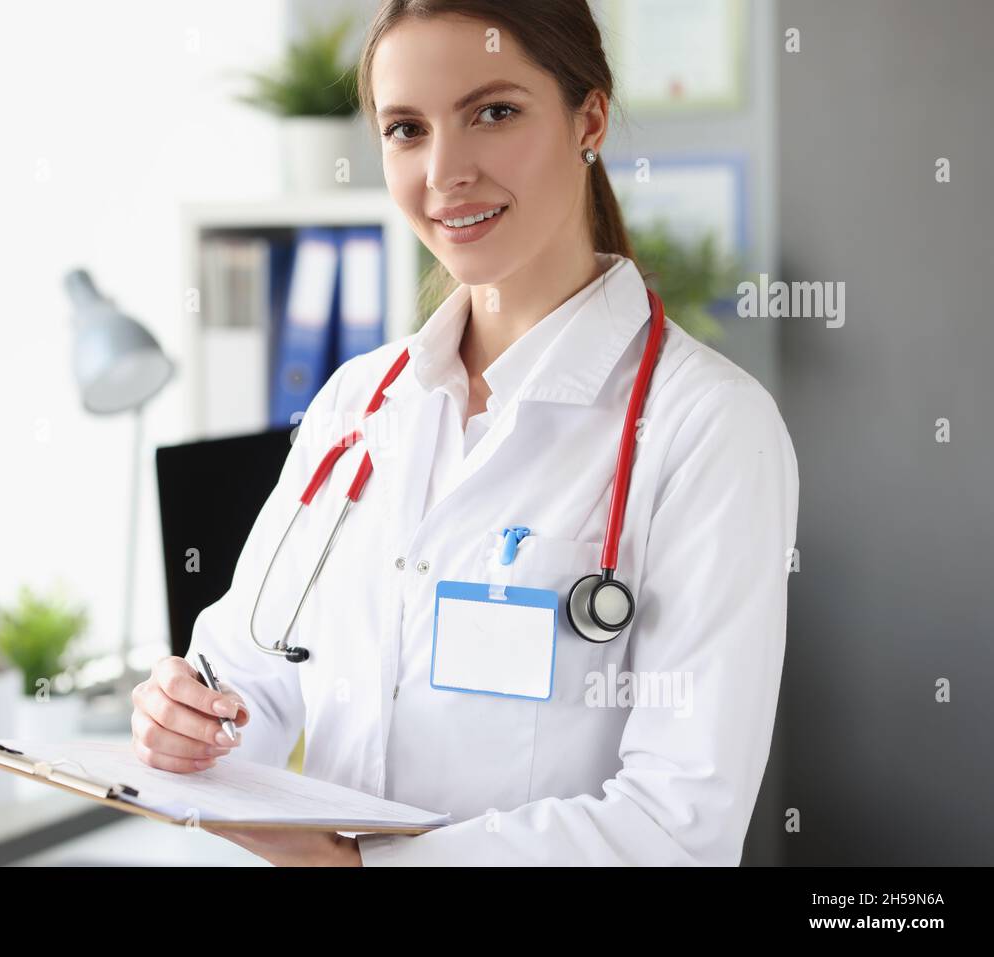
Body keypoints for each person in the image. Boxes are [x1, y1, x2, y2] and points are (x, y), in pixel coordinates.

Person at [130, 0, 799, 866]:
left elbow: (678, 827)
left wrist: (368, 866)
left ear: (589, 118)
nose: (445, 172)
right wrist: (181, 718)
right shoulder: (353, 406)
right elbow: (242, 685)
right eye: (406, 129)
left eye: (494, 113)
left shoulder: (707, 427)